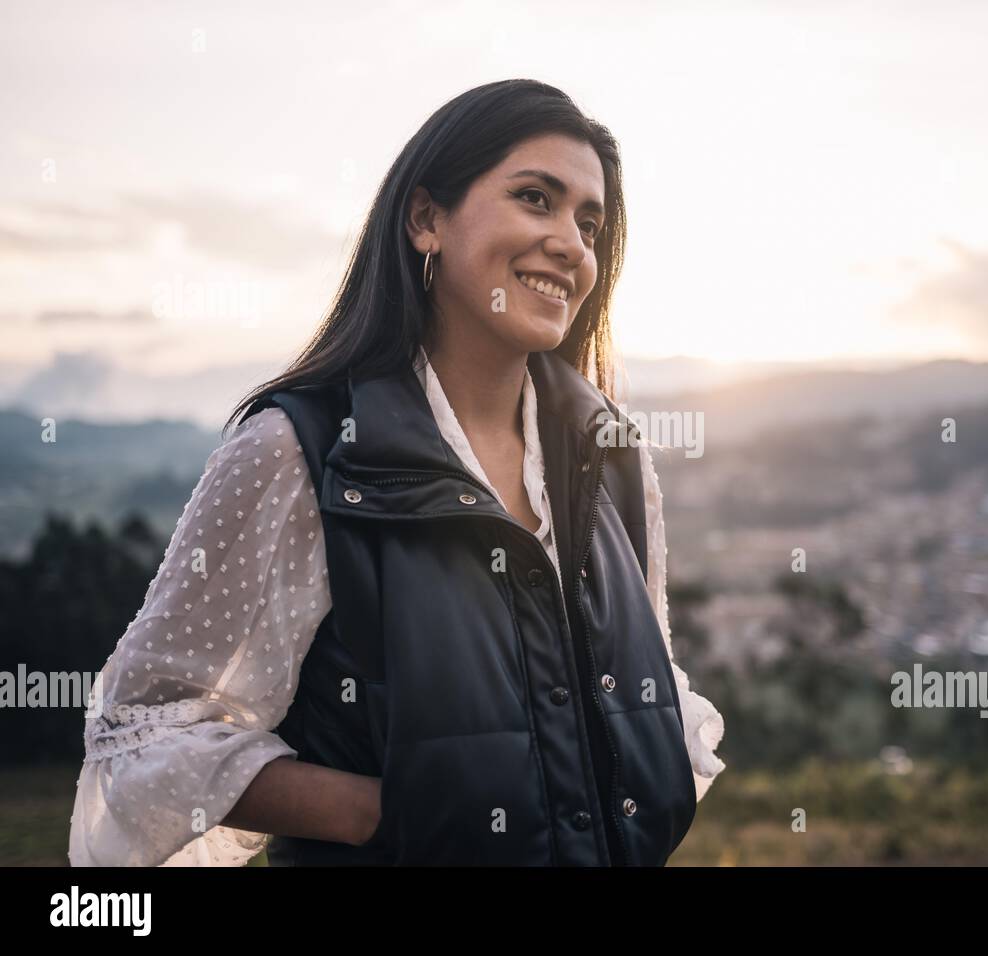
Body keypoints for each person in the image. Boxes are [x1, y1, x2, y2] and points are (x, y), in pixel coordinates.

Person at [68, 79, 725, 867]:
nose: (571, 244)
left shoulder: (613, 457)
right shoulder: (298, 449)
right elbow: (143, 728)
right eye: (535, 198)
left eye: (591, 224)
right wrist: (376, 813)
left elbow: (645, 681)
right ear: (426, 220)